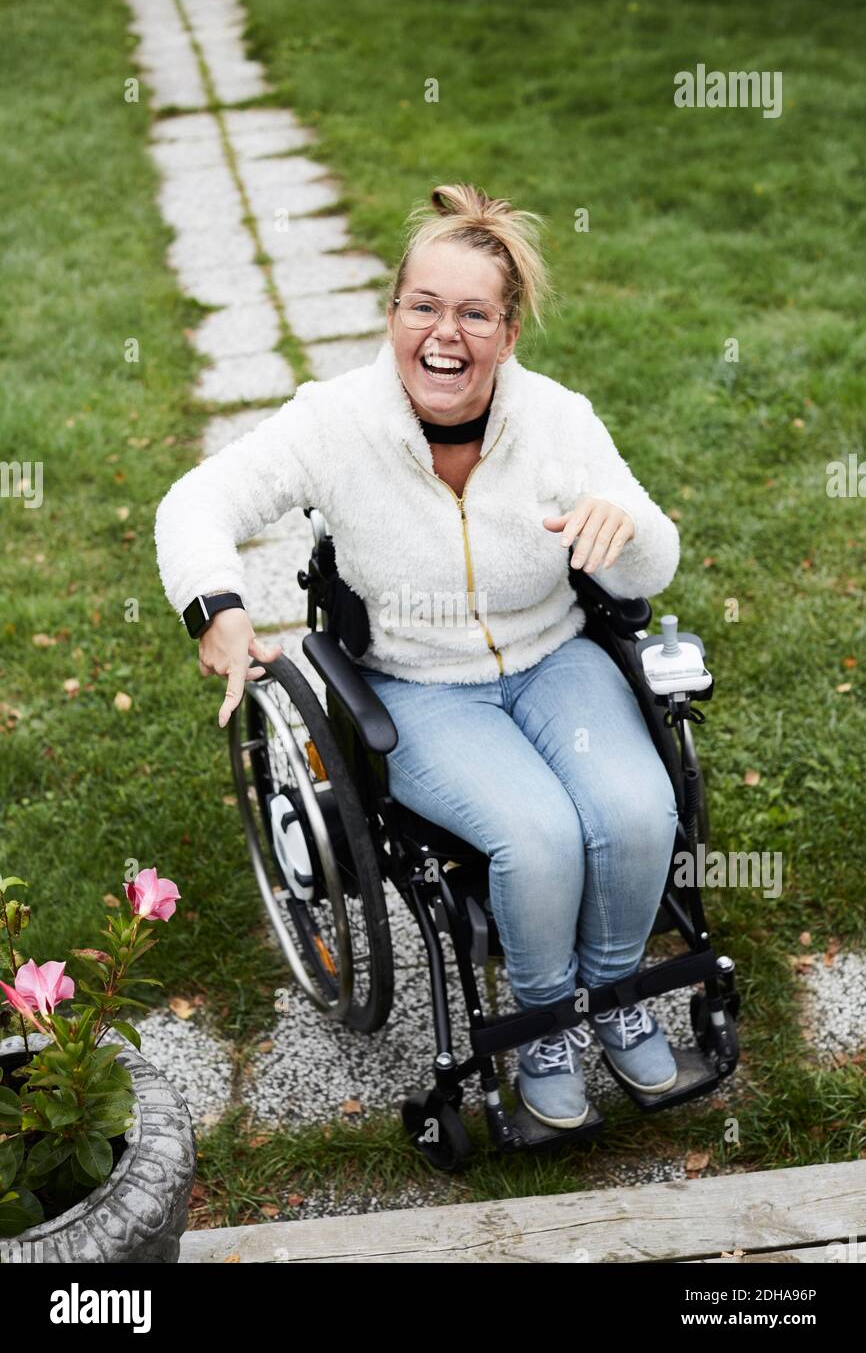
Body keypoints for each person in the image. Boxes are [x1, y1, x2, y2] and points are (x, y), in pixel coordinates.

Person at [154, 182, 681, 1130]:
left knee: (639, 809)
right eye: (424, 307)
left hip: (555, 659)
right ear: (392, 315)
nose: (447, 334)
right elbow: (197, 502)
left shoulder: (557, 418)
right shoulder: (335, 422)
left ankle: (613, 993)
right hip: (425, 687)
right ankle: (543, 1019)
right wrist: (216, 607)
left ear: (508, 334)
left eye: (474, 314)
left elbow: (656, 558)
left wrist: (628, 527)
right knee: (541, 833)